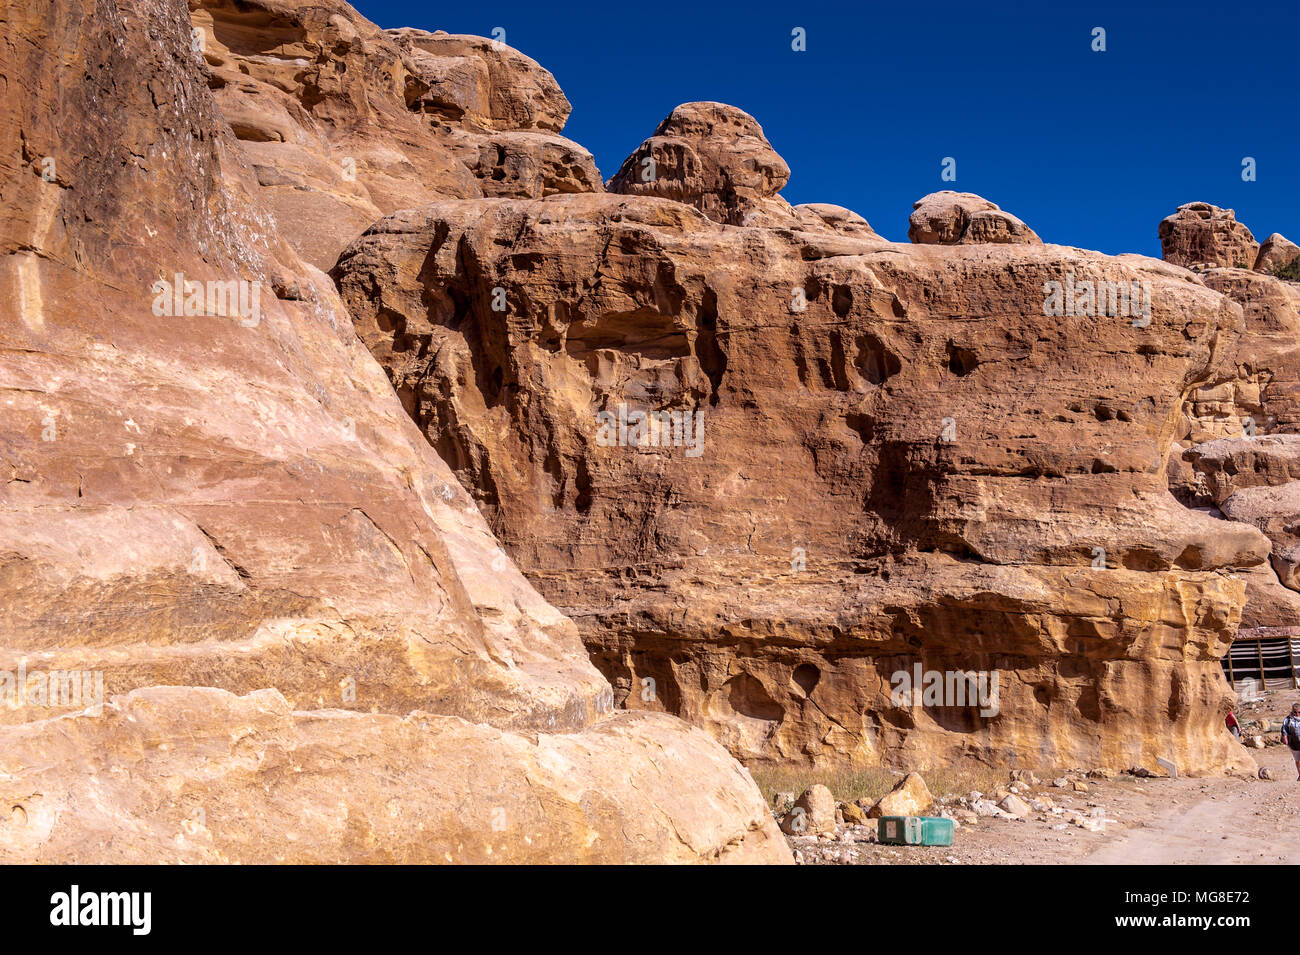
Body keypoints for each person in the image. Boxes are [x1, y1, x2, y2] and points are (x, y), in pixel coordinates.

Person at [1281, 704, 1300, 780]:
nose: (1297, 714)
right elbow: (1284, 729)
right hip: (1294, 744)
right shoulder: (1288, 720)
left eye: (1299, 712)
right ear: (1292, 711)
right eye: (1295, 712)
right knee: (1298, 761)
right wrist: (1284, 737)